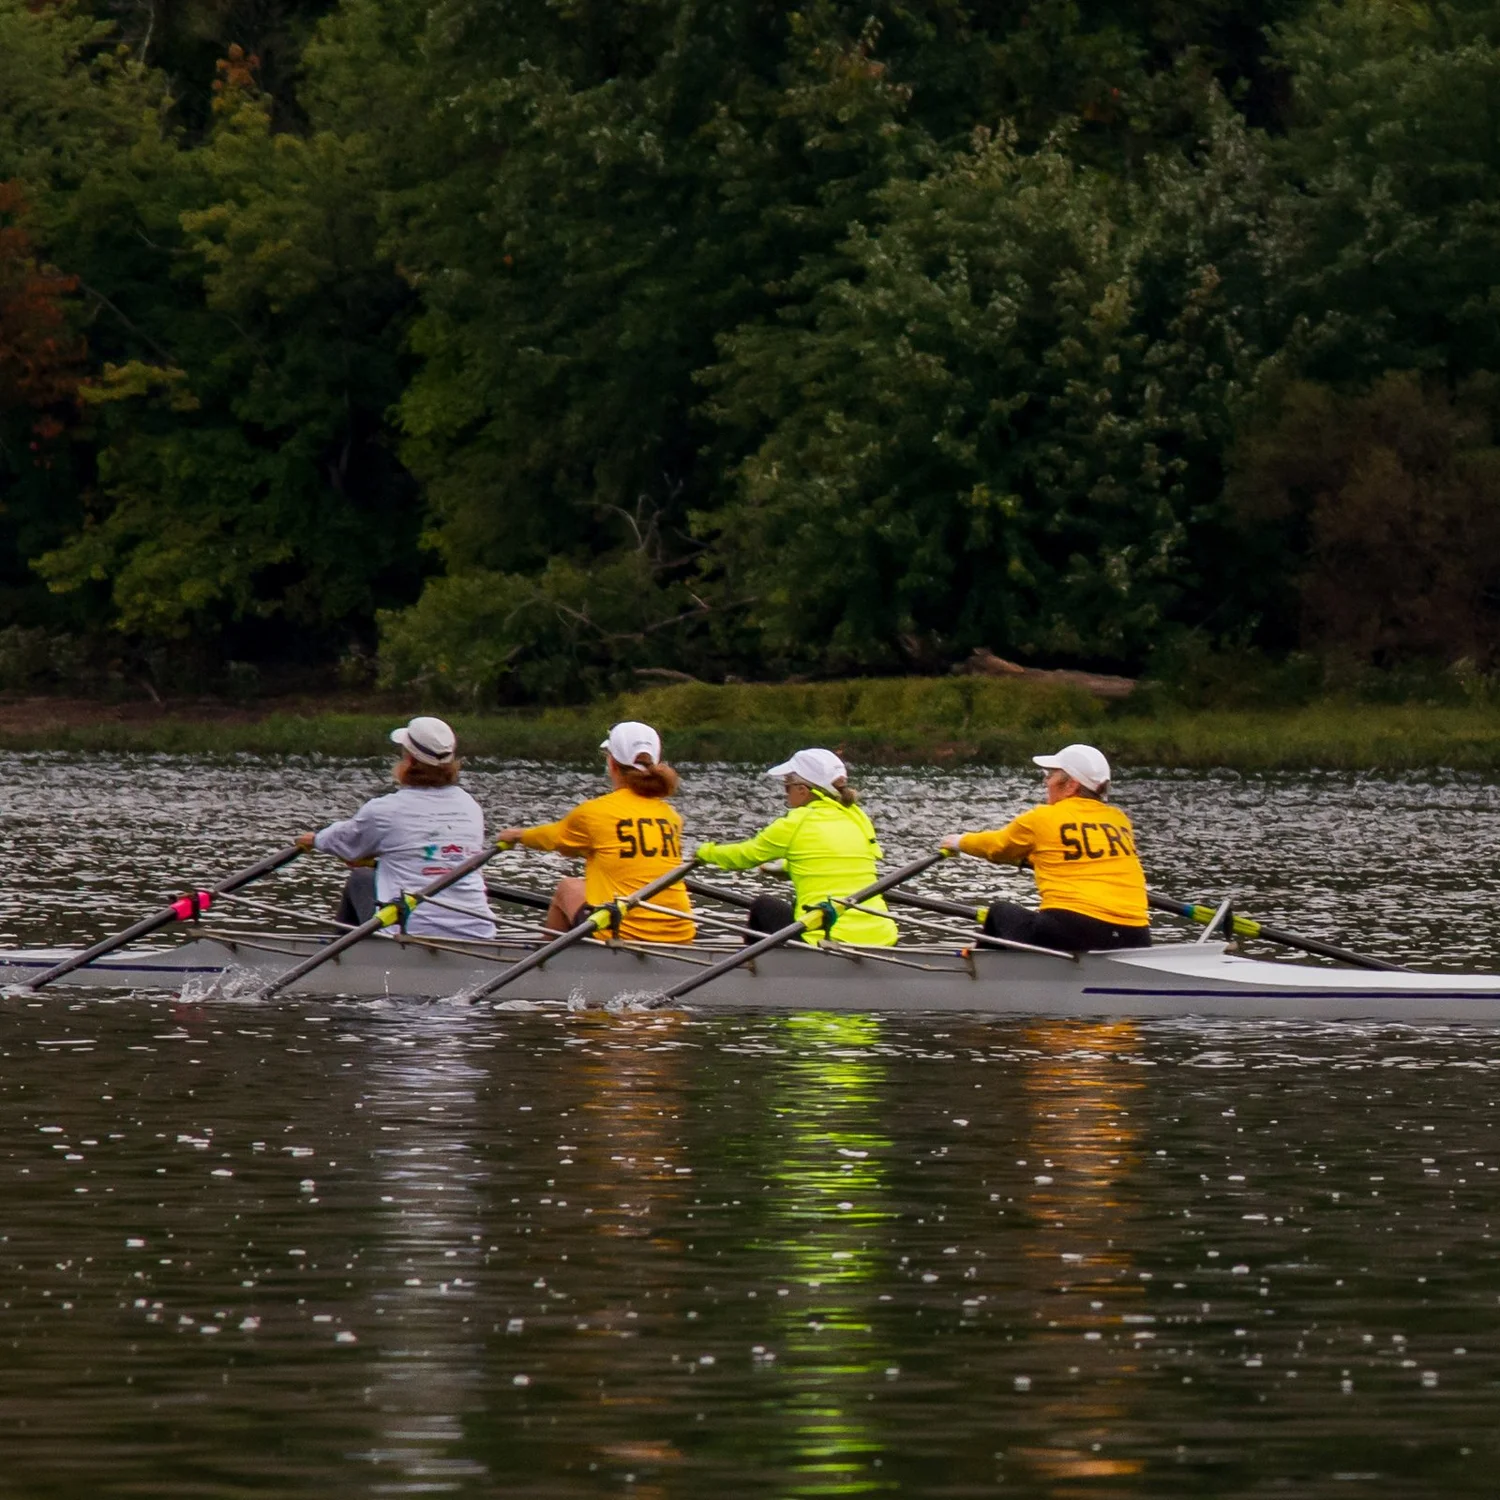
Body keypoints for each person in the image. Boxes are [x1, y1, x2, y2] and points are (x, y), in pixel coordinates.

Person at [296, 715, 498, 940]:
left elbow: (346, 842)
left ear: (409, 761)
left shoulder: (384, 810)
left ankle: (340, 963)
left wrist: (315, 840)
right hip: (479, 933)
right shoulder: (470, 806)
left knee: (361, 877)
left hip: (408, 932)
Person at [496, 721, 695, 943]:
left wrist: (518, 836)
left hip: (622, 933)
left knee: (567, 887)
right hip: (681, 933)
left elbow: (553, 839)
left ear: (612, 764)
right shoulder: (670, 816)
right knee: (589, 886)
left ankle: (543, 962)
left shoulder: (594, 812)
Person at [940, 742, 1149, 951]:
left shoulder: (1042, 818)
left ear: (1071, 786)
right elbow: (1081, 858)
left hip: (1075, 931)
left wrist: (959, 842)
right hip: (1136, 936)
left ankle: (978, 966)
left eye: (1051, 775)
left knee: (999, 912)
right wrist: (1034, 857)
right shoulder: (1119, 820)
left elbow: (997, 847)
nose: (1045, 781)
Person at [695, 749, 897, 946]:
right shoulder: (857, 817)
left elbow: (744, 856)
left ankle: (755, 971)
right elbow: (834, 863)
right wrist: (788, 868)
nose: (786, 793)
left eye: (787, 786)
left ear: (803, 790)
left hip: (826, 937)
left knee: (763, 905)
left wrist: (704, 852)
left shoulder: (796, 822)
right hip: (882, 937)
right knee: (795, 905)